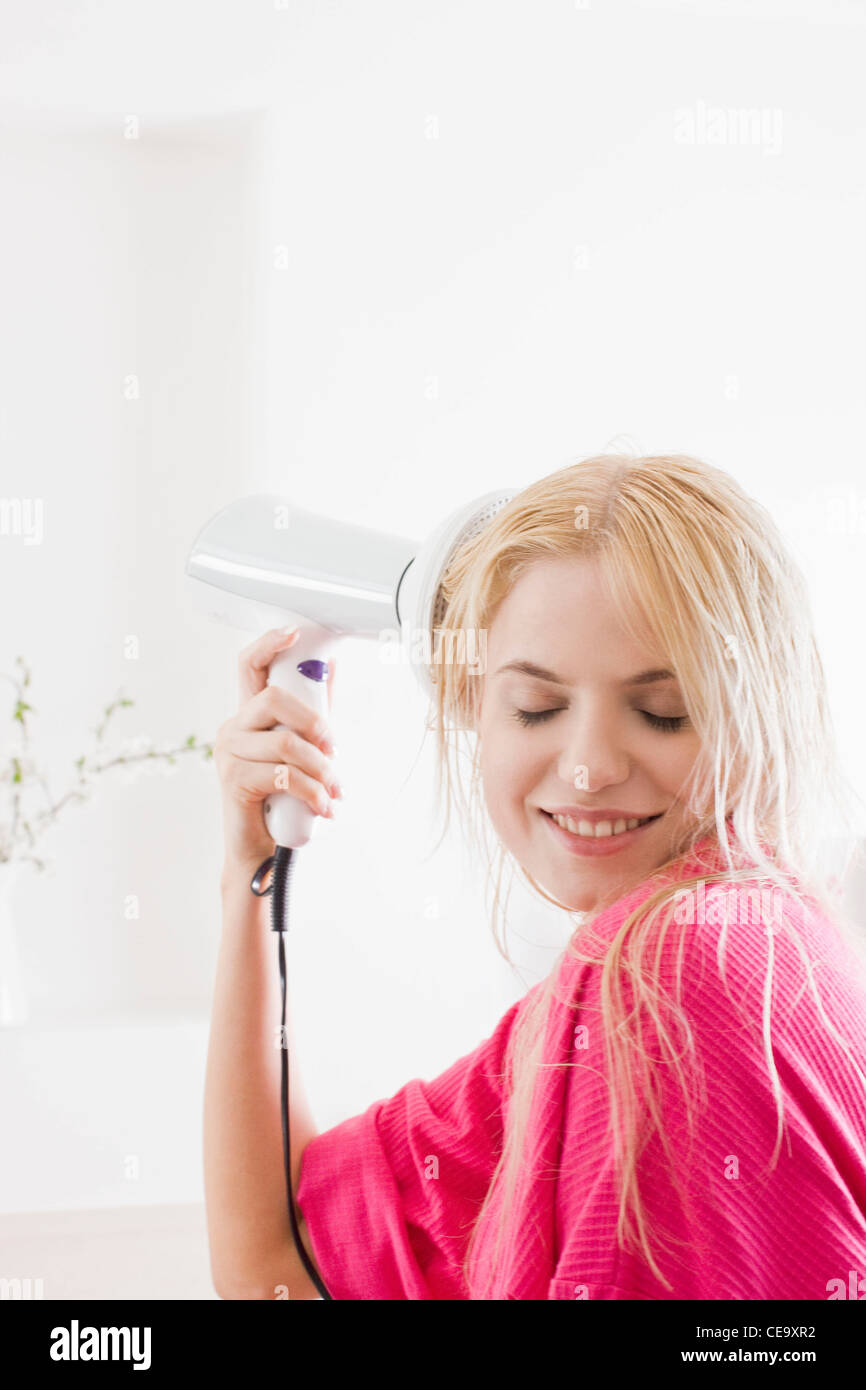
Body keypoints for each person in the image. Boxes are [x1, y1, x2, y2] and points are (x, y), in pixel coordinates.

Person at [203, 452, 866, 1300]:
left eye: (665, 712)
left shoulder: (666, 975)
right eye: (537, 708)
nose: (588, 766)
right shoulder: (599, 1008)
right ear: (474, 710)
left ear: (756, 715)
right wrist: (248, 873)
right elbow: (277, 1269)